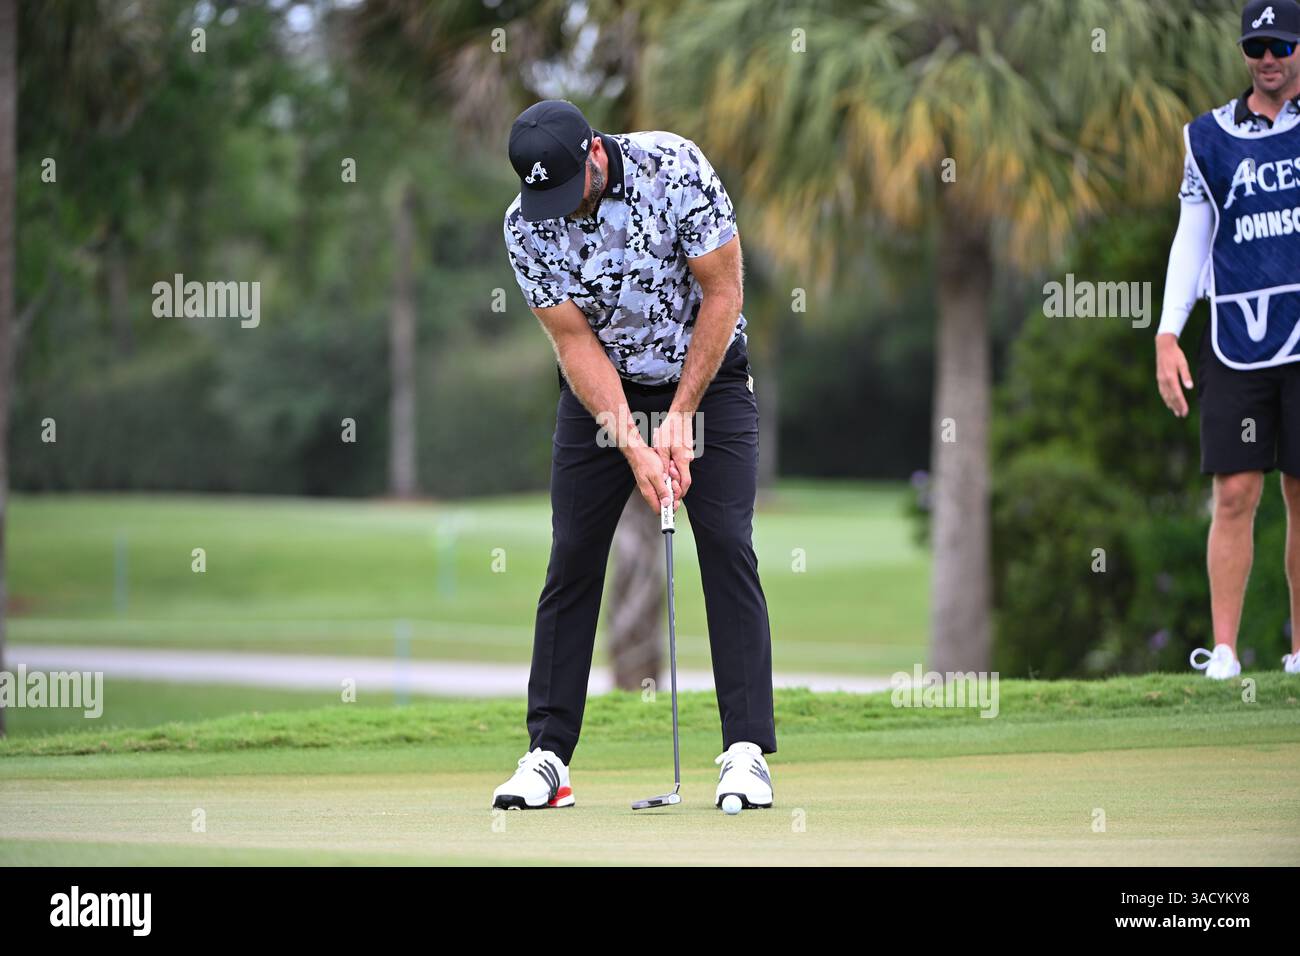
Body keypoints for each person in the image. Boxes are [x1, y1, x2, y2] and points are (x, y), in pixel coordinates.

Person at [491, 99, 777, 809]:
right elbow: (573, 343)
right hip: (604, 394)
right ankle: (547, 757)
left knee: (727, 543)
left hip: (706, 380)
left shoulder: (673, 168)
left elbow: (723, 291)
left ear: (594, 150)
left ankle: (744, 753)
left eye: (569, 190)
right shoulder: (526, 224)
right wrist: (635, 446)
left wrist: (680, 418)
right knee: (573, 554)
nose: (562, 210)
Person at [1156, 0, 1300, 678]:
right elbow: (1193, 237)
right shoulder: (1206, 138)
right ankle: (1222, 654)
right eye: (1257, 45)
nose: (1268, 58)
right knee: (1236, 492)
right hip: (1236, 338)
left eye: (1281, 45)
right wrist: (1167, 333)